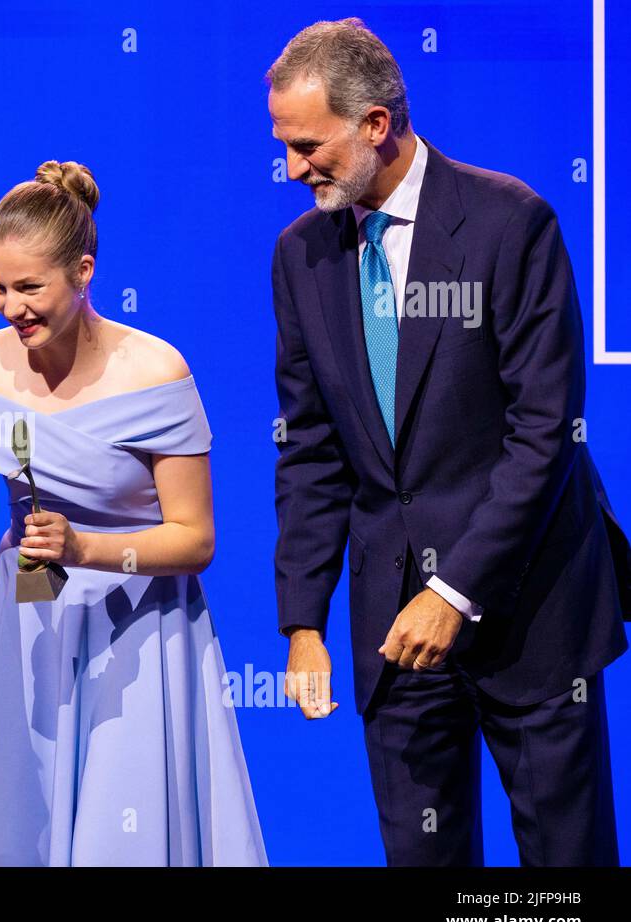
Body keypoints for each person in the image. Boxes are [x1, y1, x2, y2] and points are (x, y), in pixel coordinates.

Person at [267, 18, 629, 865]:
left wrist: (454, 590)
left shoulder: (511, 223)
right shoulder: (300, 257)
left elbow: (545, 432)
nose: (292, 169)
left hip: (529, 611)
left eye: (309, 146)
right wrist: (303, 623)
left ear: (377, 125)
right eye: (284, 145)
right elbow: (311, 448)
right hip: (392, 631)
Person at [0, 161, 266, 866]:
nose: (8, 307)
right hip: (27, 625)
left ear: (83, 271)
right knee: (25, 829)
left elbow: (196, 538)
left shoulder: (155, 371)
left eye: (28, 287)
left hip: (140, 629)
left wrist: (86, 549)